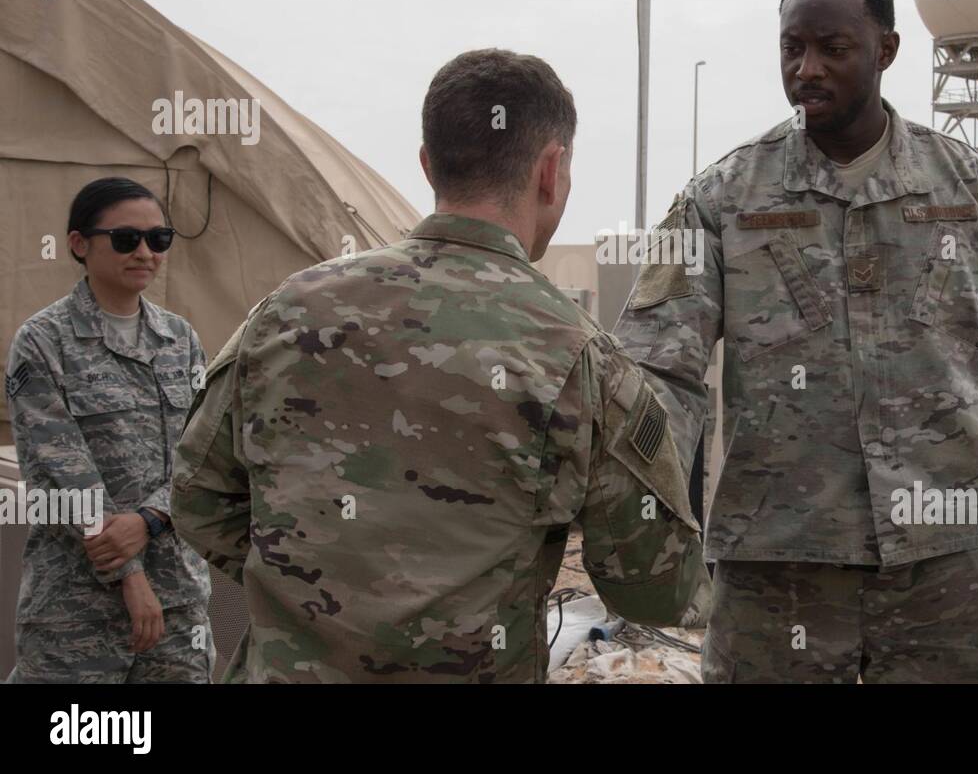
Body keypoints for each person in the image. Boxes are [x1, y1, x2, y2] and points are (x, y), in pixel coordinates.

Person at [172, 48, 710, 683]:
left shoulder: (283, 313)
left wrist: (313, 589)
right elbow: (654, 590)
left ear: (428, 164)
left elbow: (199, 500)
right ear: (551, 169)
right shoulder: (581, 356)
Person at [613, 0, 978, 683]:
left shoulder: (974, 192)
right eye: (791, 48)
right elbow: (657, 374)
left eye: (832, 49)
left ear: (886, 50)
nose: (807, 69)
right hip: (778, 567)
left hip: (947, 575)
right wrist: (656, 533)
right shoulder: (723, 199)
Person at [4, 177, 213, 683]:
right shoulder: (41, 342)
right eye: (126, 239)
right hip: (76, 608)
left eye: (158, 239)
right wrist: (130, 576)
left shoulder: (180, 340)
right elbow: (60, 473)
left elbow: (202, 453)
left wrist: (149, 519)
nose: (145, 252)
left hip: (178, 602)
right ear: (79, 244)